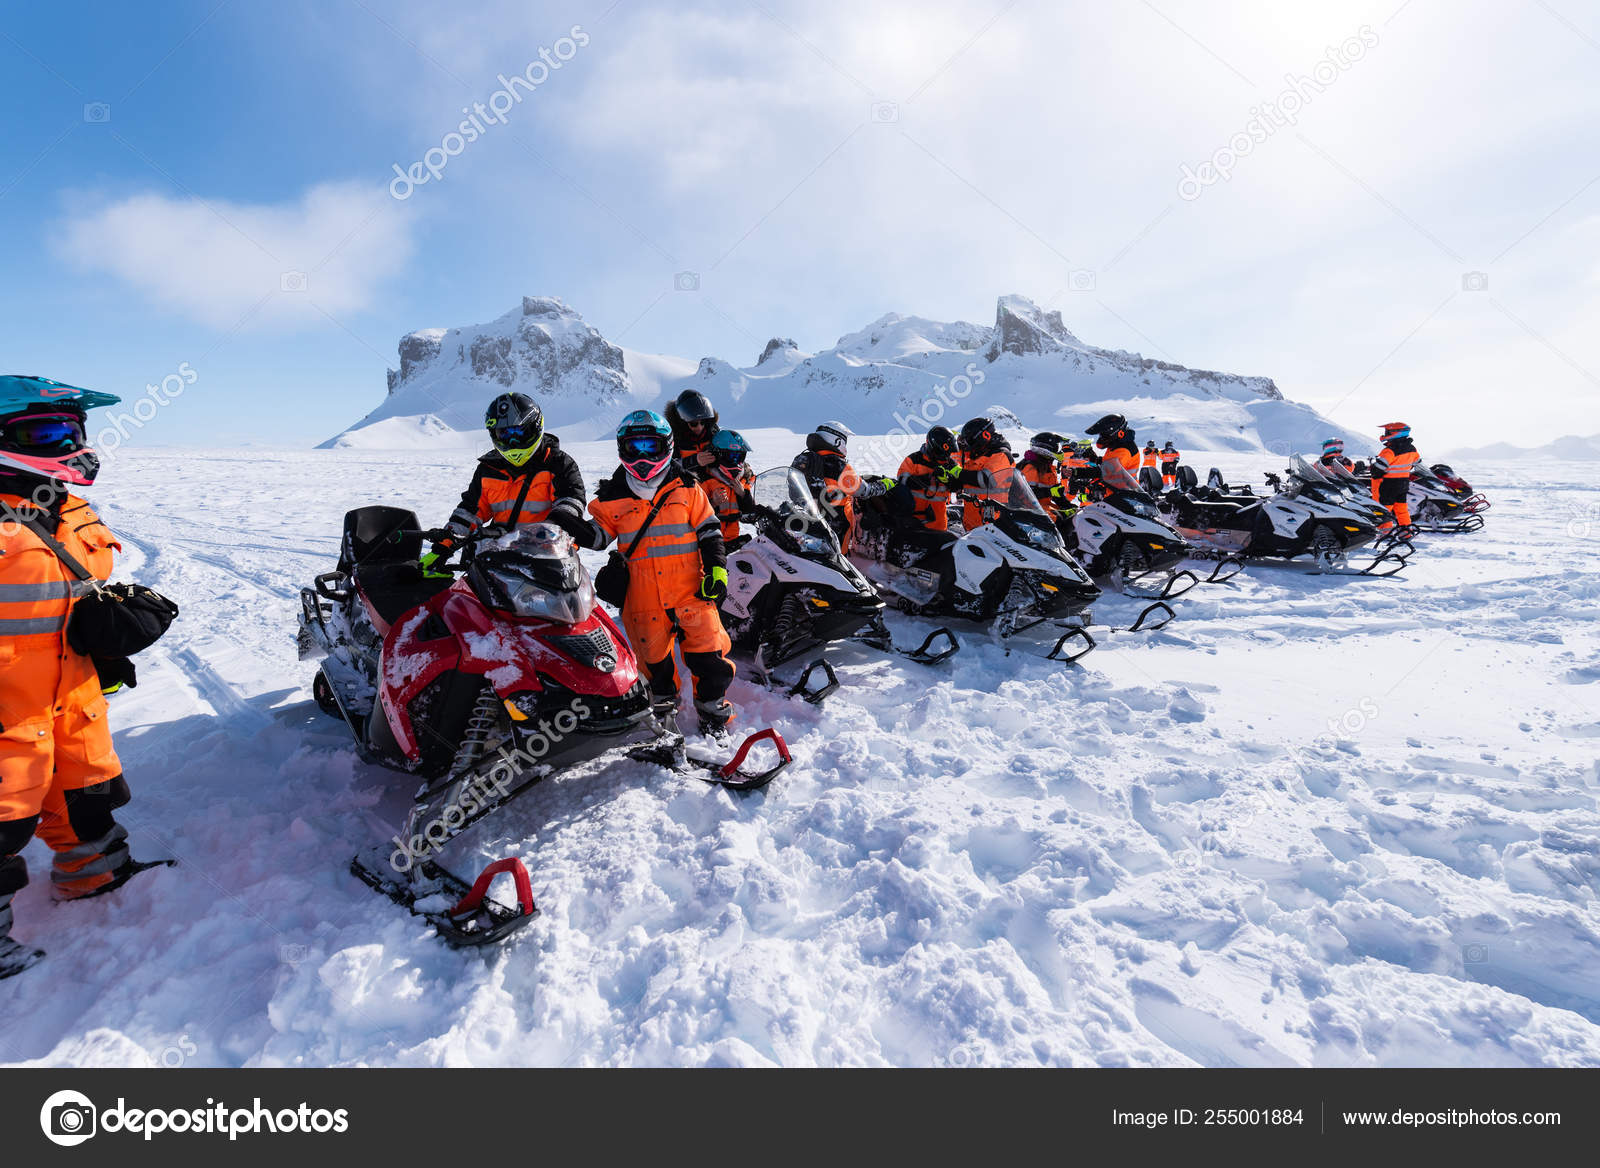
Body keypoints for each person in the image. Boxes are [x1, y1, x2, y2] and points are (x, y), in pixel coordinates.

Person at [0, 376, 165, 979]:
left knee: (87, 794)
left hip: (71, 693)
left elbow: (67, 591)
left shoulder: (67, 507)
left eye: (72, 430)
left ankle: (95, 877)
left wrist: (111, 627)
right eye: (45, 432)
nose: (67, 444)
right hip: (8, 703)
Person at [576, 410, 736, 734]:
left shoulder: (687, 487)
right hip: (643, 597)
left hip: (692, 590)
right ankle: (664, 717)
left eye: (651, 446)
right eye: (634, 448)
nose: (643, 457)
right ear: (622, 449)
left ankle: (713, 715)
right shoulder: (612, 497)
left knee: (710, 655)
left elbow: (710, 531)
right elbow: (597, 537)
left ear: (667, 446)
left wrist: (717, 569)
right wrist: (567, 524)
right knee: (654, 665)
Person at [422, 393, 589, 574]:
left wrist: (545, 534)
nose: (513, 441)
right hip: (496, 560)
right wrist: (443, 546)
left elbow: (570, 504)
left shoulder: (559, 464)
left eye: (519, 432)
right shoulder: (488, 469)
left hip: (548, 560)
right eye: (504, 433)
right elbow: (470, 511)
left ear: (535, 427)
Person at [791, 420, 882, 553]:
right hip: (836, 523)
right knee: (838, 558)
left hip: (806, 519)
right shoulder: (839, 465)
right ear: (837, 440)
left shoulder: (803, 459)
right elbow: (864, 491)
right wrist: (885, 484)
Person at [894, 426, 962, 532]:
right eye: (944, 453)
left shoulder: (950, 464)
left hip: (939, 524)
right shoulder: (914, 459)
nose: (947, 456)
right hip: (913, 522)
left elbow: (960, 482)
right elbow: (902, 481)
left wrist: (948, 480)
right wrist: (927, 478)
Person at [956, 417, 1014, 532]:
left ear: (984, 436)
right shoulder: (978, 454)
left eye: (970, 441)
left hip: (994, 523)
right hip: (973, 522)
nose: (968, 445)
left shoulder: (1001, 455)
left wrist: (957, 472)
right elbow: (967, 479)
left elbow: (987, 479)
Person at [700, 429, 755, 549]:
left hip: (732, 541)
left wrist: (743, 494)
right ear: (718, 455)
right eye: (732, 456)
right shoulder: (704, 480)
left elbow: (750, 511)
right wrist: (713, 503)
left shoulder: (742, 479)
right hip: (708, 542)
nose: (736, 461)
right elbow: (694, 516)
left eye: (739, 457)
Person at [1371, 422, 1420, 529]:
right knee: (1402, 509)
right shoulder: (1412, 449)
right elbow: (1416, 462)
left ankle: (1385, 531)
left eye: (1387, 432)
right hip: (1403, 483)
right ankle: (1406, 530)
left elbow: (1378, 469)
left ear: (1396, 433)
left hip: (1388, 485)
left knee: (1384, 510)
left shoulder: (1389, 451)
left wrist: (1373, 465)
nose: (1385, 434)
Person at [1019, 432, 1073, 523]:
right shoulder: (1031, 467)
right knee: (1060, 521)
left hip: (1044, 506)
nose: (1058, 451)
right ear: (1046, 449)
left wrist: (1068, 506)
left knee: (1074, 518)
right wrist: (1049, 492)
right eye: (1056, 448)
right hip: (1030, 509)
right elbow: (1025, 496)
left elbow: (1056, 493)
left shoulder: (1048, 467)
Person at [664, 389, 719, 480]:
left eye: (703, 422)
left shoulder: (713, 433)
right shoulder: (673, 438)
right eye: (694, 423)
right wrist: (693, 461)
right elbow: (666, 467)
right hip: (687, 485)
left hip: (714, 484)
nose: (700, 427)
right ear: (683, 422)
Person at [1085, 414, 1141, 492]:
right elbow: (1108, 463)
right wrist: (1094, 459)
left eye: (1104, 435)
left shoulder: (1124, 449)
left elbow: (1108, 471)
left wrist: (1078, 473)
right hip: (1116, 490)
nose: (1102, 438)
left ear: (1118, 433)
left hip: (1125, 492)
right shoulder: (1116, 444)